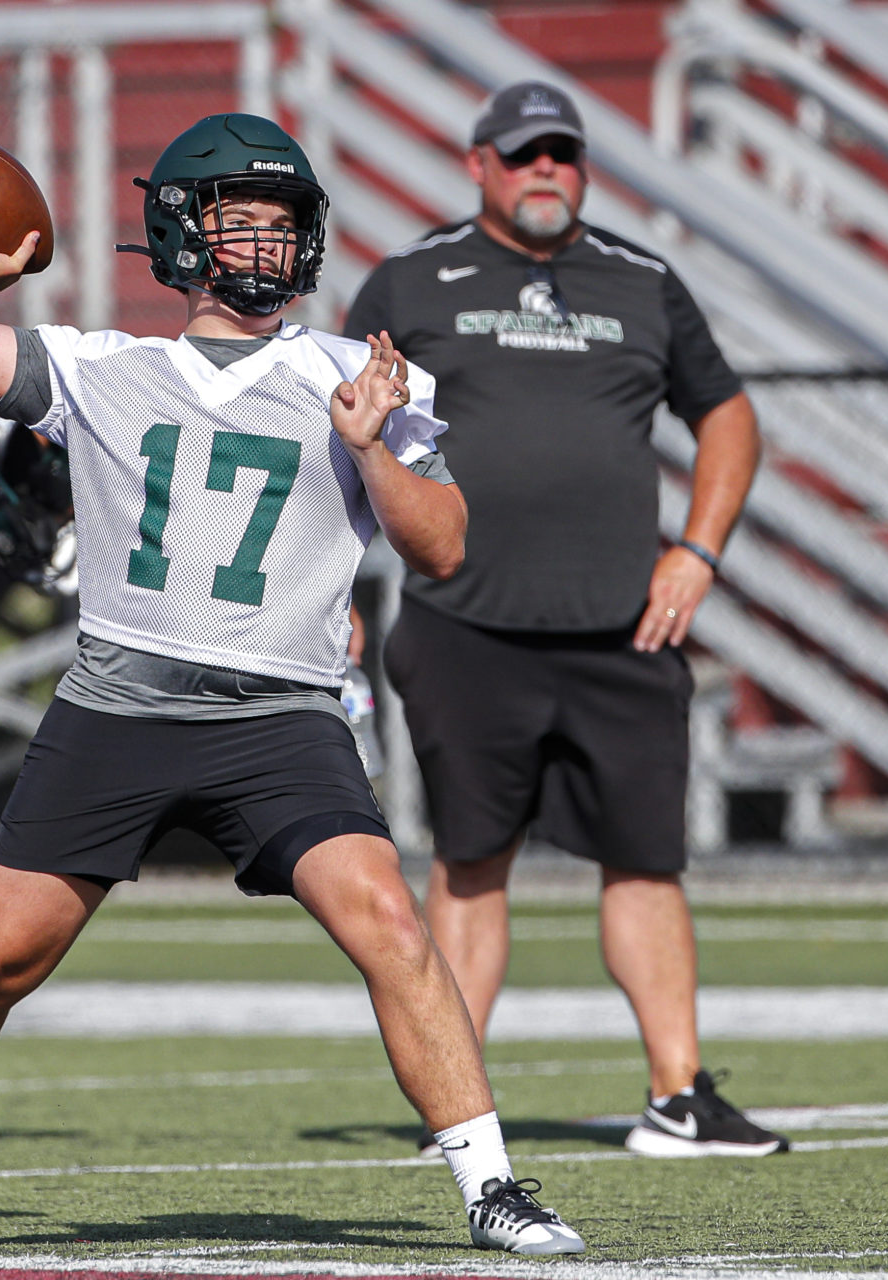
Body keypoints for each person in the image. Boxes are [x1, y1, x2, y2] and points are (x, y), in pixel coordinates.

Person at [0, 113, 587, 1257]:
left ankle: (491, 1184)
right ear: (183, 236)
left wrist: (376, 447)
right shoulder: (101, 368)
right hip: (119, 707)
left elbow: (441, 545)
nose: (268, 244)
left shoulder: (358, 372)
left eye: (285, 223)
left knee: (391, 919)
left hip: (281, 713)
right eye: (241, 220)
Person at [344, 82, 786, 1158]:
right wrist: (333, 588)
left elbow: (726, 412)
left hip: (619, 630)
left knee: (646, 862)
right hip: (465, 625)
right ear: (480, 164)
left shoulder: (642, 280)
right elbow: (345, 426)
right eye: (523, 153)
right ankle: (457, 1107)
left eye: (563, 154)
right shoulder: (413, 277)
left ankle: (679, 1094)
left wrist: (698, 548)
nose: (546, 170)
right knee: (470, 858)